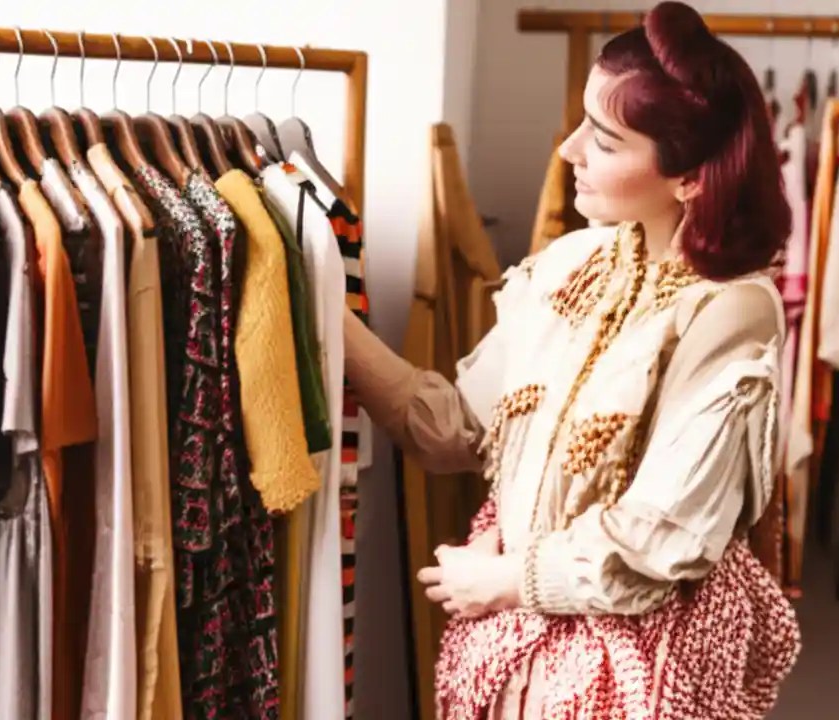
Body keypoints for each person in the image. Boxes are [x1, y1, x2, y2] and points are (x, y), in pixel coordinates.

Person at [343, 2, 801, 717]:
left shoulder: (730, 309)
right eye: (582, 121)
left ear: (689, 177)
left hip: (638, 678)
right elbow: (453, 427)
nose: (569, 151)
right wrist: (327, 317)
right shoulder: (570, 265)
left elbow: (661, 540)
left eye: (606, 140)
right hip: (514, 665)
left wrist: (506, 579)